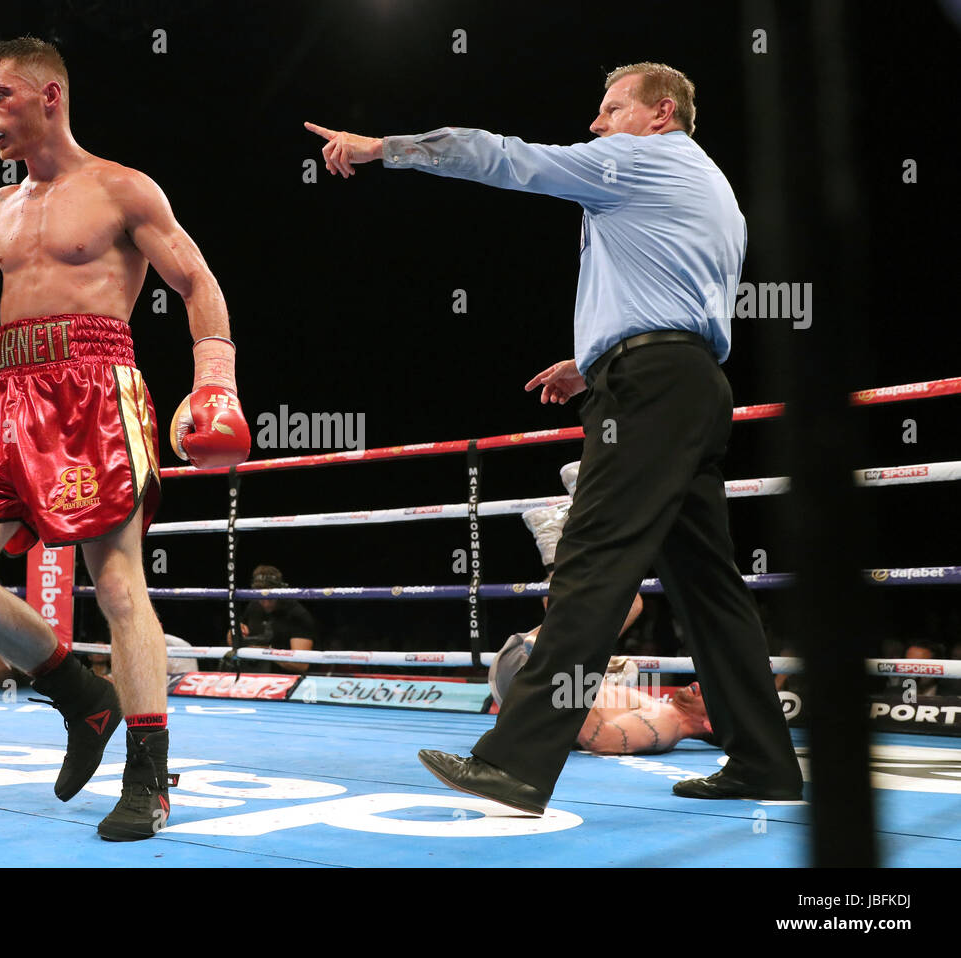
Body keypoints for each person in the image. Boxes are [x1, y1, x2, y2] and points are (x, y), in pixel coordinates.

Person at [307, 61, 801, 813]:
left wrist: (385, 148)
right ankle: (765, 760)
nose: (597, 124)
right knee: (711, 590)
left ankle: (516, 761)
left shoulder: (636, 160)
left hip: (651, 395)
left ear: (659, 113)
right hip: (691, 385)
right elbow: (674, 295)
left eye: (611, 109)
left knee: (592, 564)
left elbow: (504, 157)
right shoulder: (714, 189)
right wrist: (595, 358)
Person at [0, 37, 250, 841]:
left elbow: (197, 281)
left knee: (116, 584)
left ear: (49, 97)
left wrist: (215, 384)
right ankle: (81, 695)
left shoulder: (121, 188)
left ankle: (149, 775)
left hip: (94, 387)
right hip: (6, 397)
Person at [489, 634, 714, 755]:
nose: (699, 684)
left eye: (710, 695)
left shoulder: (666, 723)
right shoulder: (663, 713)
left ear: (709, 724)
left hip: (527, 681)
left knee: (630, 603)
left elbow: (599, 739)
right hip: (524, 678)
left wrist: (567, 669)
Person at [226, 565, 316, 674]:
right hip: (256, 676)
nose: (265, 603)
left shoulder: (297, 614)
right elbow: (235, 635)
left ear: (280, 591)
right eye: (261, 598)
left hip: (288, 681)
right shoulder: (253, 606)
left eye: (270, 598)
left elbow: (301, 665)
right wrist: (233, 634)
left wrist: (264, 652)